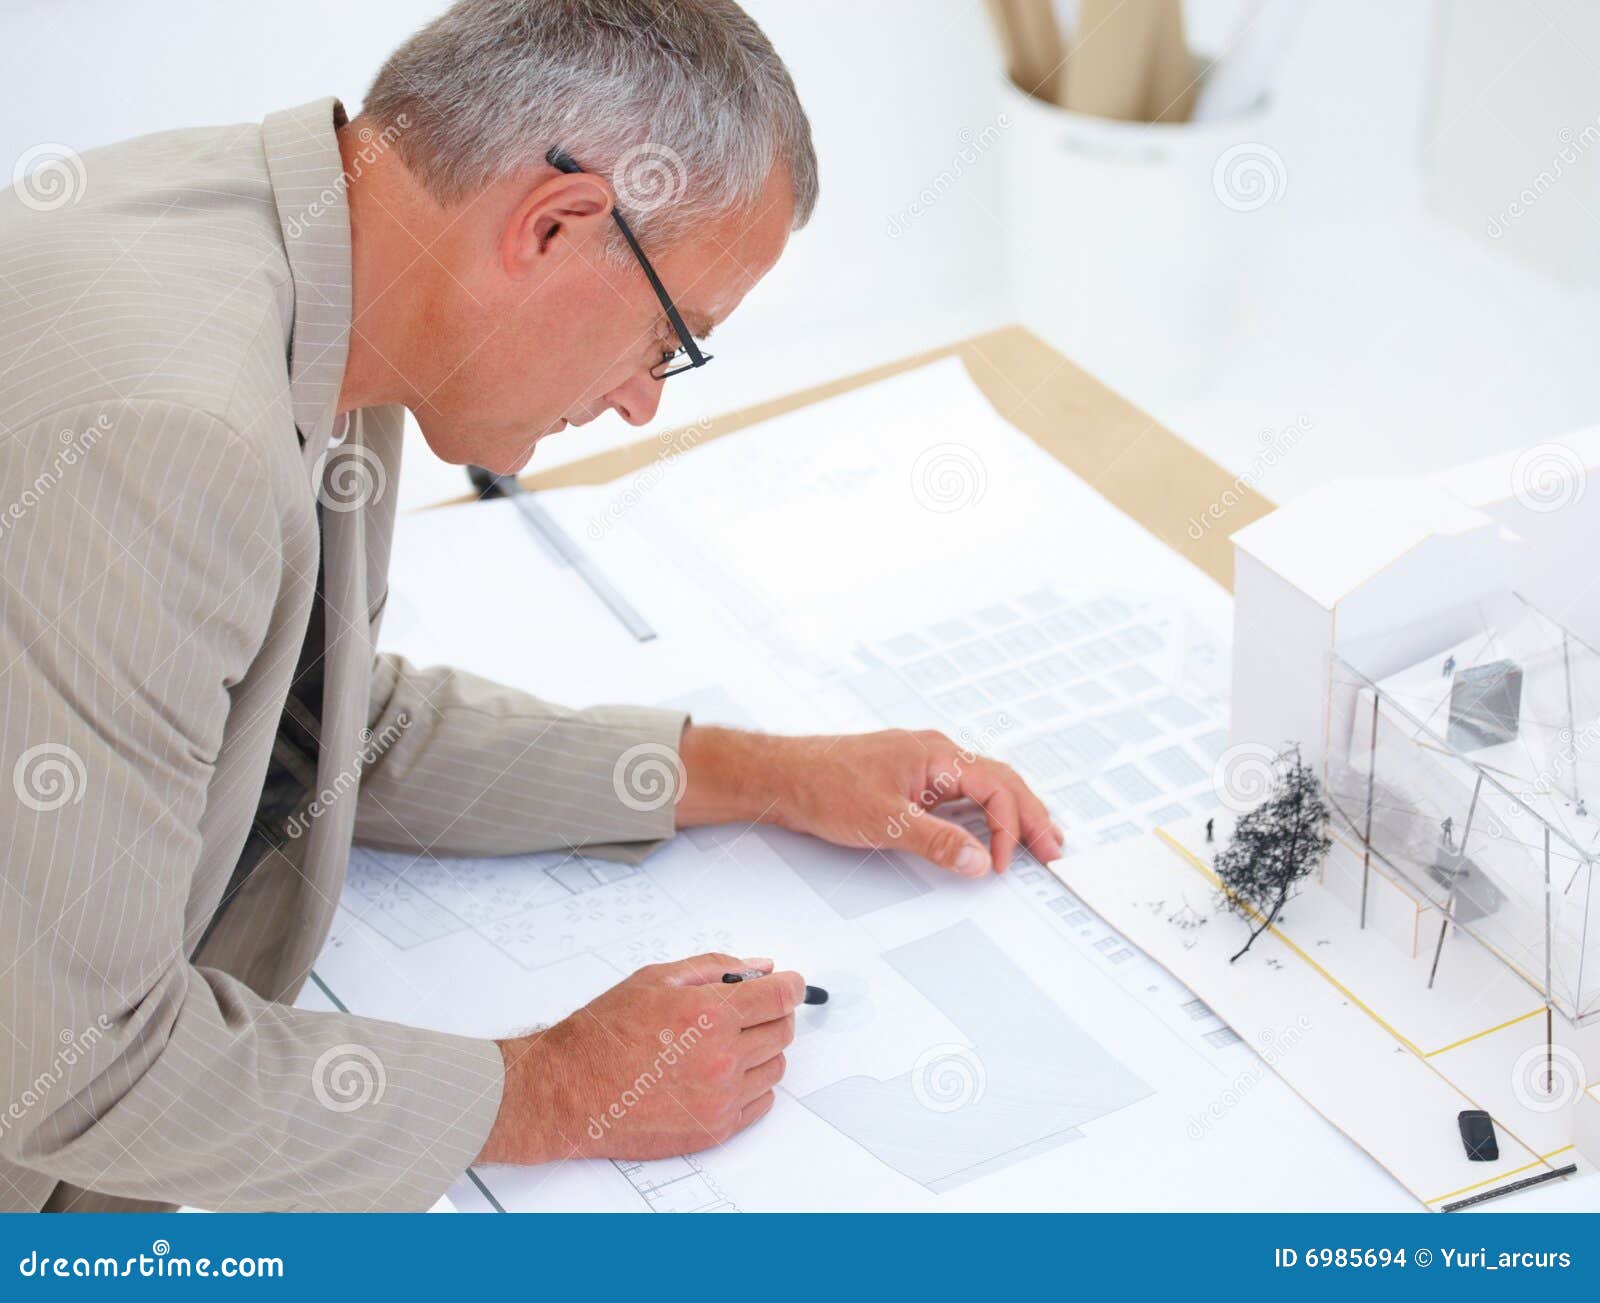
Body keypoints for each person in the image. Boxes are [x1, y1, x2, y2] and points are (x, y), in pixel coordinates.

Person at [0, 0, 1059, 1212]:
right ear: (553, 226)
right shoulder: (169, 435)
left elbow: (317, 725)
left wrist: (765, 772)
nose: (641, 404)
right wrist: (551, 1089)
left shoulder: (300, 252)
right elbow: (66, 1071)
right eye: (672, 341)